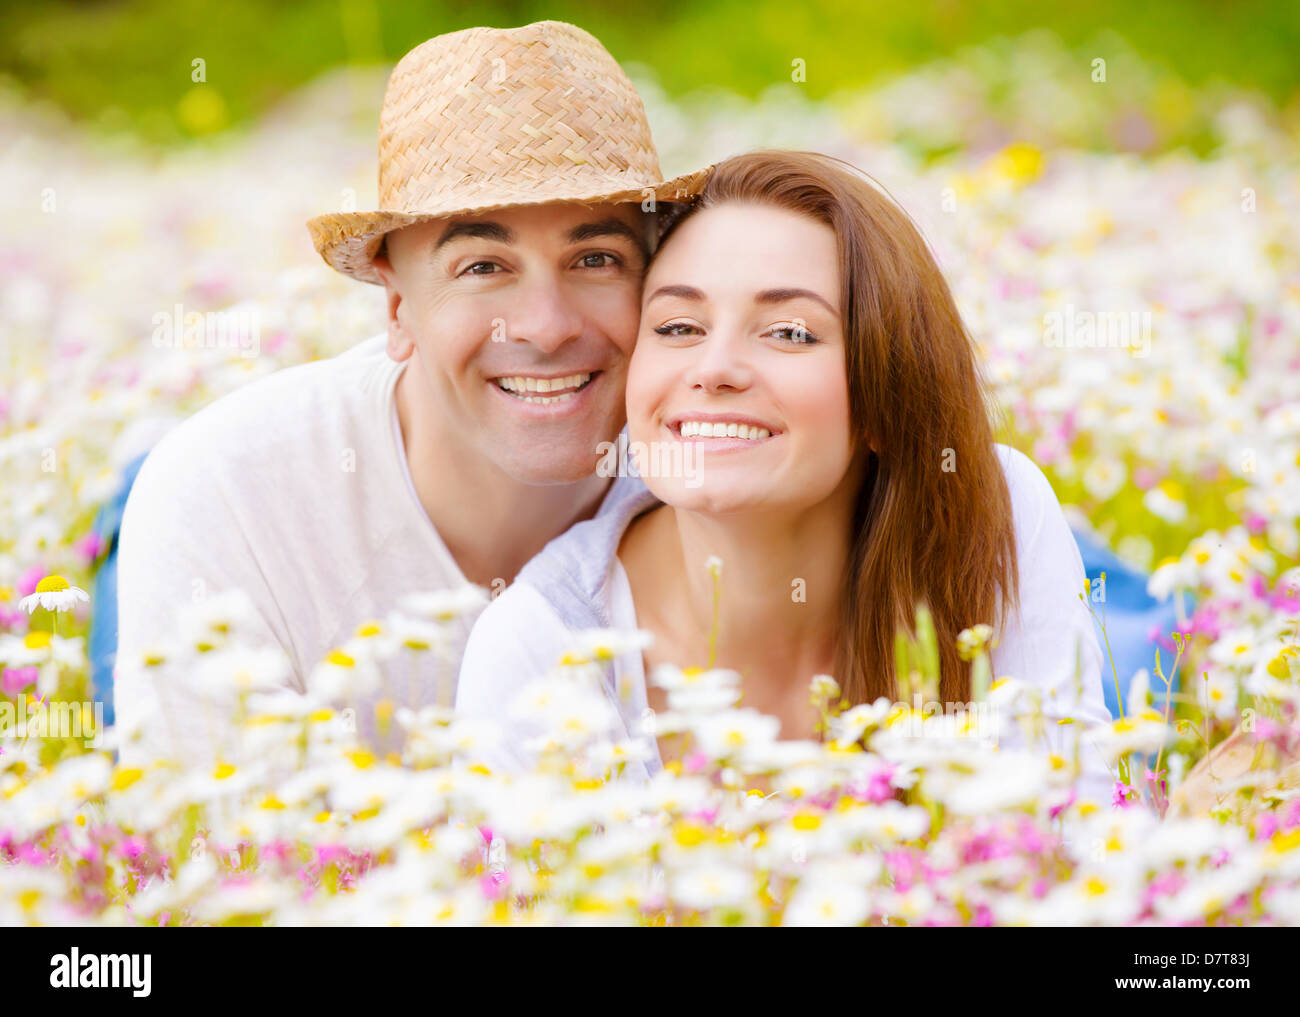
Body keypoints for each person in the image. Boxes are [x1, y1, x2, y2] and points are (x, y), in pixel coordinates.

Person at [111, 21, 711, 767]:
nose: (548, 327)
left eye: (595, 258)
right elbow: (208, 849)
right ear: (396, 309)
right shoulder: (222, 497)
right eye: (483, 267)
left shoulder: (712, 467)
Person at [455, 150, 1117, 802]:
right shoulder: (541, 653)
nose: (714, 368)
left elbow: (1073, 840)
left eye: (789, 332)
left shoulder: (989, 511)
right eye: (679, 325)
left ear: (885, 395)